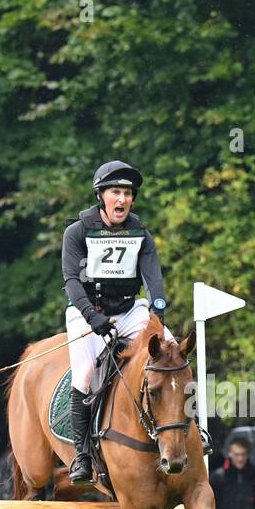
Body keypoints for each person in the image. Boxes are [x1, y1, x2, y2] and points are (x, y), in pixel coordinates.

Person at [61, 160, 172, 484]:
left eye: (127, 193)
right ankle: (82, 456)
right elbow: (71, 281)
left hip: (129, 311)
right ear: (101, 196)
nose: (122, 199)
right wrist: (93, 318)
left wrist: (158, 319)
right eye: (115, 192)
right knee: (84, 374)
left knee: (172, 352)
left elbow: (155, 283)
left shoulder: (141, 234)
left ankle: (192, 433)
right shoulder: (77, 231)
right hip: (86, 311)